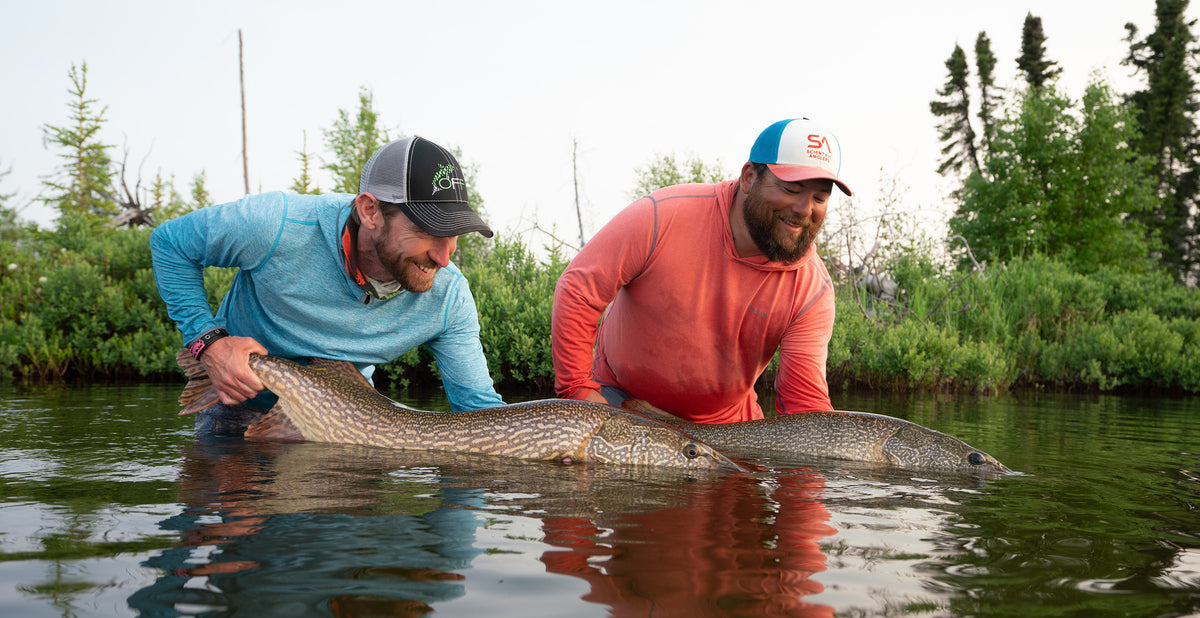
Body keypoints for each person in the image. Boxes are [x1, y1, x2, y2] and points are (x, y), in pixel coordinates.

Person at [151, 135, 505, 434]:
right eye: (427, 232)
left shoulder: (450, 297)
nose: (444, 258)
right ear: (370, 211)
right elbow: (170, 243)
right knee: (229, 508)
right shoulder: (275, 225)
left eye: (454, 235)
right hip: (237, 402)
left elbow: (479, 411)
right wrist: (207, 342)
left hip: (350, 421)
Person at [551, 118, 852, 424]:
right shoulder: (663, 215)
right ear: (749, 177)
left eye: (819, 197)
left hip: (727, 428)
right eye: (791, 188)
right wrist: (579, 394)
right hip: (618, 400)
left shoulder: (813, 289)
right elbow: (578, 290)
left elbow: (805, 404)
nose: (804, 209)